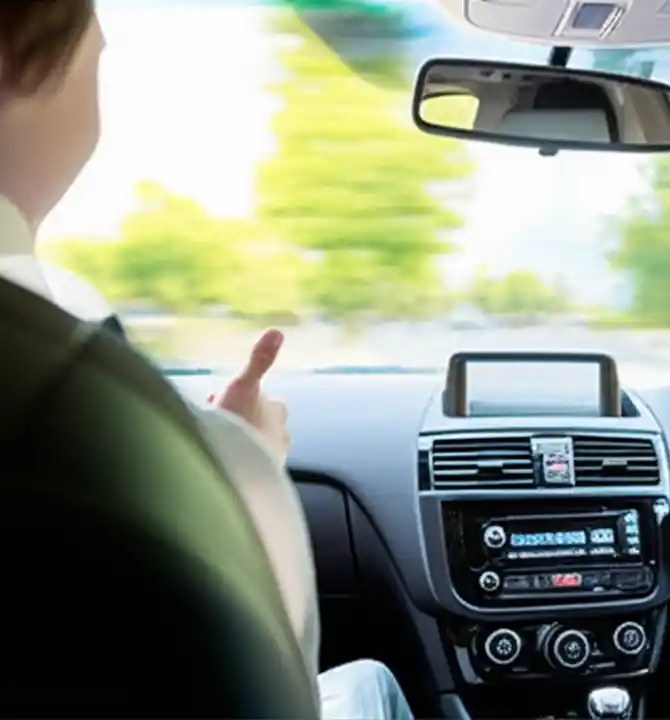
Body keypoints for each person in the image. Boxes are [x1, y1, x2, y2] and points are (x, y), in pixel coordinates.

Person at [0, 3, 411, 718]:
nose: (102, 41)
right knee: (368, 685)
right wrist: (241, 462)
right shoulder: (76, 412)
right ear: (10, 54)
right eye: (91, 31)